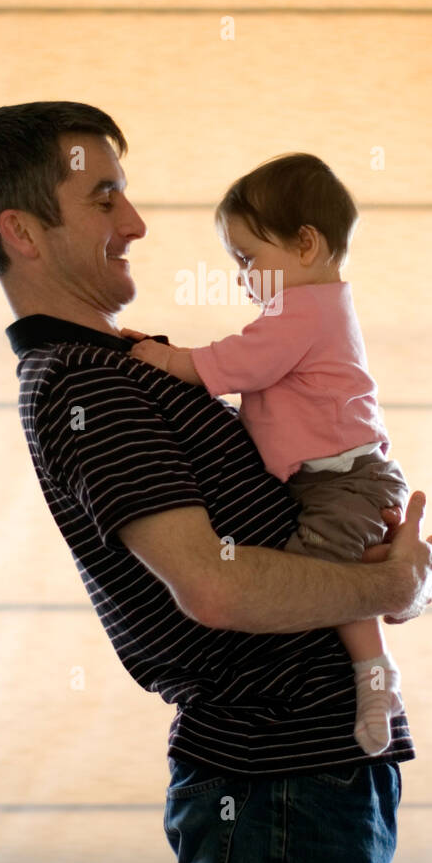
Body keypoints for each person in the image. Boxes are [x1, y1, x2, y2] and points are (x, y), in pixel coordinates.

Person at [0, 100, 432, 863]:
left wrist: (393, 578)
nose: (135, 222)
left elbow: (287, 531)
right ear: (23, 233)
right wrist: (386, 580)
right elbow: (214, 587)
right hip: (276, 779)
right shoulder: (89, 386)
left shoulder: (118, 366)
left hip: (308, 774)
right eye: (104, 198)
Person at [126, 152, 410, 757]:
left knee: (320, 578)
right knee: (332, 575)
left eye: (248, 259)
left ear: (306, 244)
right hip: (341, 477)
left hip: (346, 482)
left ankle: (375, 679)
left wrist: (167, 359)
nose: (241, 277)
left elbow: (237, 363)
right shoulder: (319, 308)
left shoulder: (300, 312)